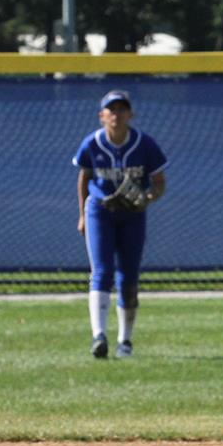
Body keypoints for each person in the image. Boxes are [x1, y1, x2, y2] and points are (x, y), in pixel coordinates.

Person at [73, 89, 168, 359]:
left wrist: (147, 198)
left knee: (128, 276)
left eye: (121, 109)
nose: (116, 114)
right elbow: (84, 178)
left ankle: (125, 341)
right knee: (101, 270)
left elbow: (159, 182)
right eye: (111, 110)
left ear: (130, 114)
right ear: (102, 116)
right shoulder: (92, 143)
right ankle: (98, 336)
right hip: (100, 210)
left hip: (132, 214)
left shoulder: (144, 144)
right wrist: (82, 214)